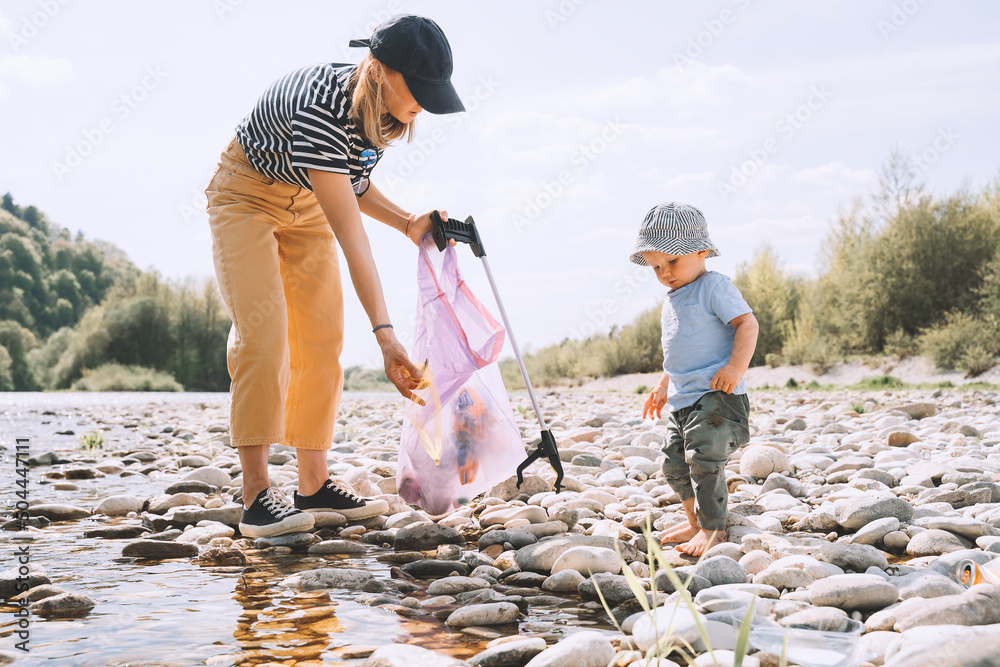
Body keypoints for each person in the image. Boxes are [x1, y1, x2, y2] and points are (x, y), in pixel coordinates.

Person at [204, 14, 466, 538]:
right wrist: (386, 337)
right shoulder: (322, 109)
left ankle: (314, 483)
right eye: (420, 90)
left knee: (321, 341)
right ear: (383, 73)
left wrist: (408, 222)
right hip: (246, 195)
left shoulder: (383, 115)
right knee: (265, 335)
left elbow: (353, 187)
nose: (424, 105)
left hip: (307, 205)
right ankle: (255, 495)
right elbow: (352, 236)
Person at [632, 202, 759, 555]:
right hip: (683, 398)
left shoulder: (714, 287)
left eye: (672, 261)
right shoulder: (672, 298)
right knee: (673, 463)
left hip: (719, 397)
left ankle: (713, 528)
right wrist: (661, 386)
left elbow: (747, 324)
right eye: (656, 266)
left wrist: (735, 368)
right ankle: (694, 522)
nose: (664, 272)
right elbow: (678, 352)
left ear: (701, 251)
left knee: (702, 456)